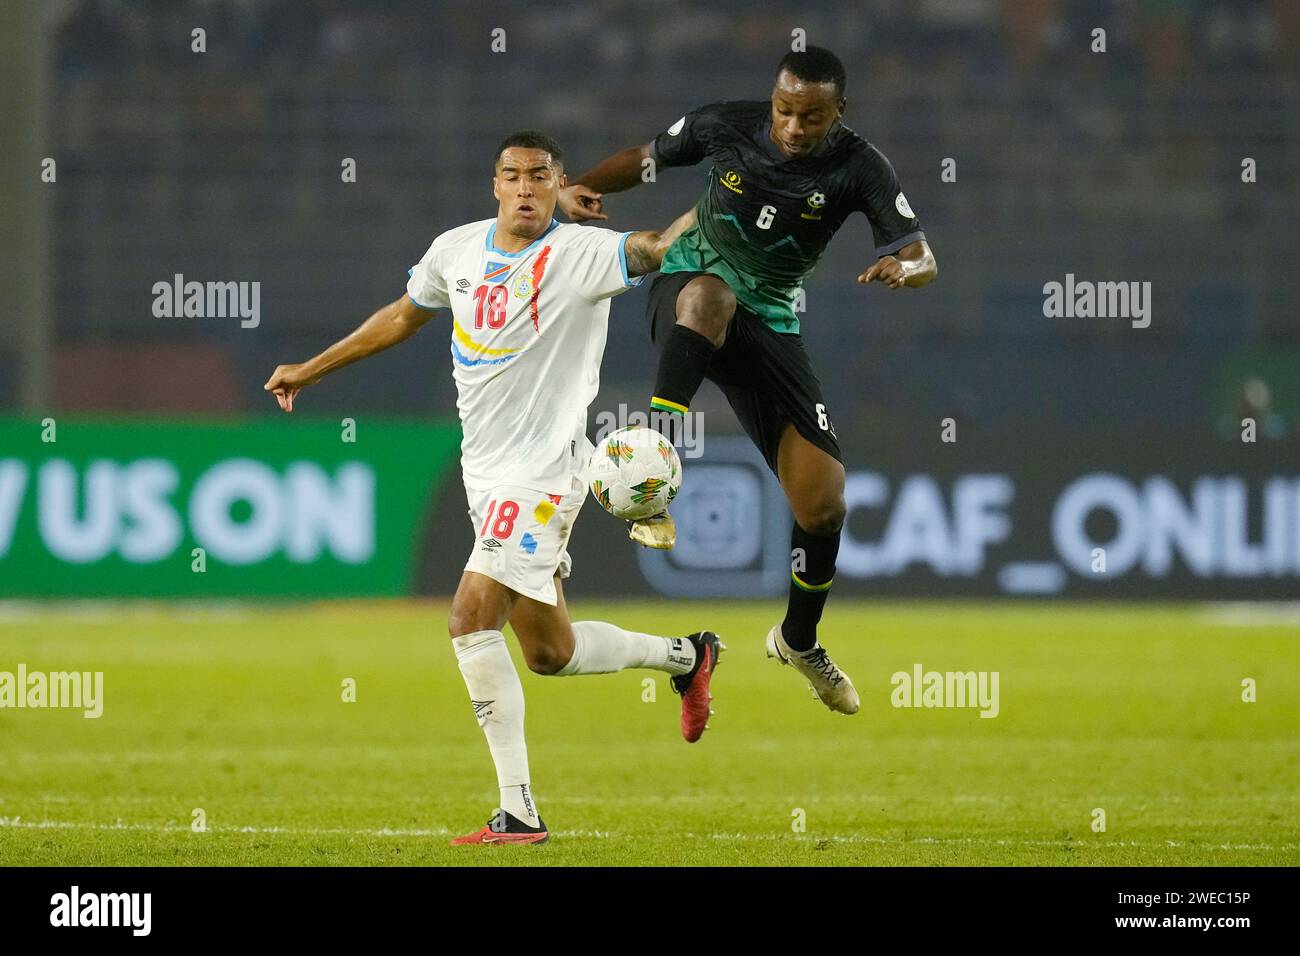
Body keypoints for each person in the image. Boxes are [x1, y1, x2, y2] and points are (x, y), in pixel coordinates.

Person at [265, 131, 716, 846]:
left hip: (544, 473)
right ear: (496, 185)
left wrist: (725, 198)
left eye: (541, 175)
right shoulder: (455, 251)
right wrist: (311, 369)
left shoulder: (580, 254)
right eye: (514, 175)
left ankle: (518, 812)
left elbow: (657, 247)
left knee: (469, 618)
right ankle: (689, 656)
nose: (527, 187)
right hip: (486, 473)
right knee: (550, 652)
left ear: (560, 184)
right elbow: (402, 315)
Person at [558, 47, 939, 716]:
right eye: (785, 110)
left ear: (839, 112)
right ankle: (653, 474)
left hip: (770, 321)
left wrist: (904, 271)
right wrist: (580, 186)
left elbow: (922, 256)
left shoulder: (861, 167)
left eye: (811, 117)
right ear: (773, 100)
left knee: (824, 503)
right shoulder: (726, 126)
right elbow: (649, 157)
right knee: (710, 298)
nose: (793, 127)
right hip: (687, 287)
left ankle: (799, 640)